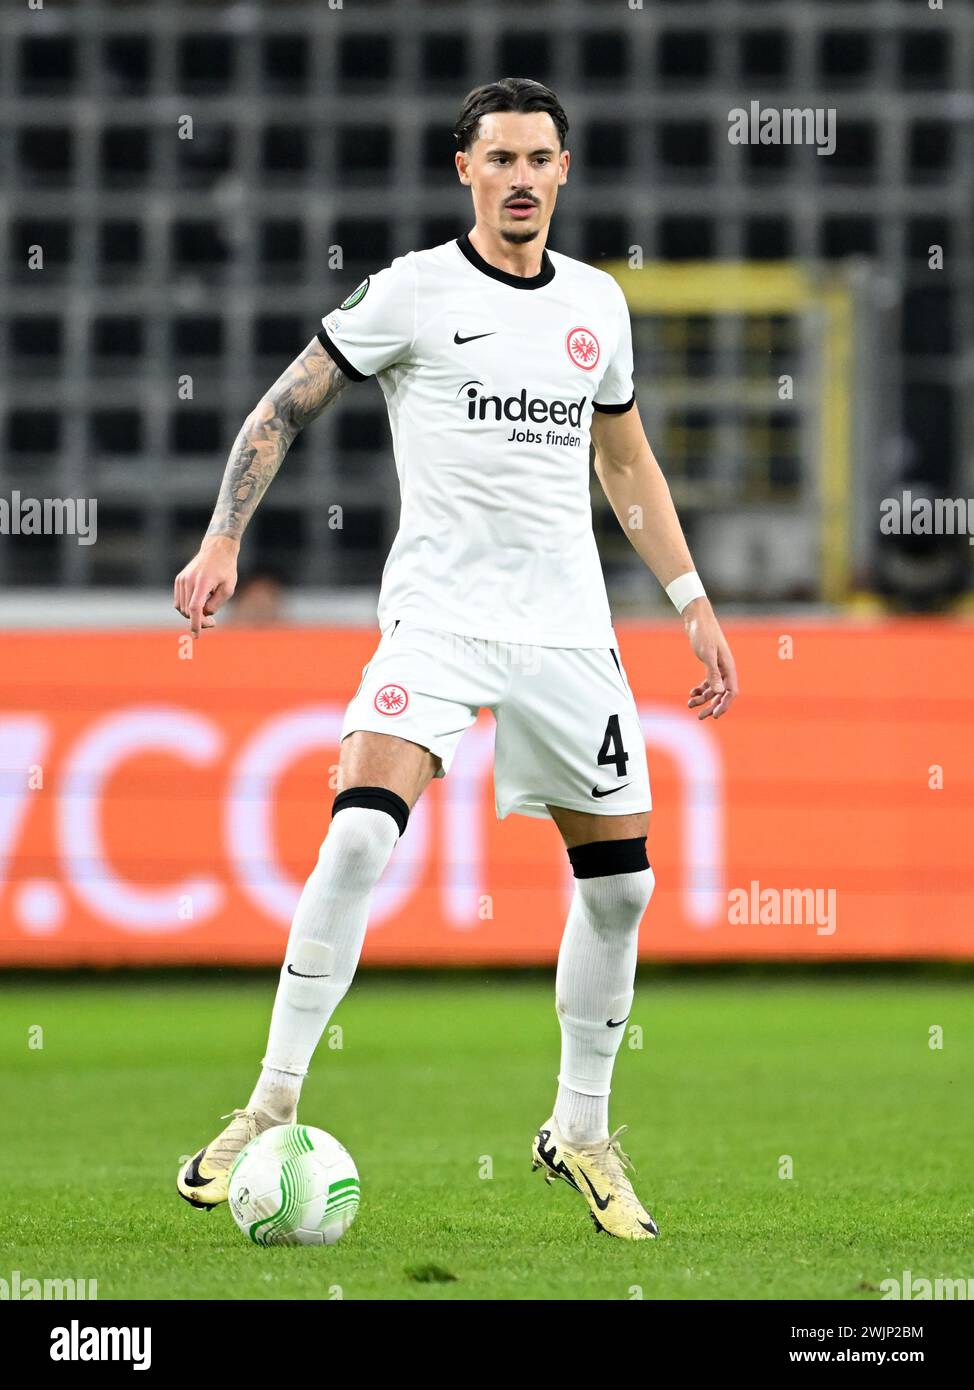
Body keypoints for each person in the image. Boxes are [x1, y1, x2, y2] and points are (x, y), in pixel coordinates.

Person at [173, 77, 739, 1240]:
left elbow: (623, 465)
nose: (522, 177)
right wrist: (223, 535)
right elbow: (283, 406)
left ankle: (578, 1131)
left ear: (564, 173)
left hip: (567, 629)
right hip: (436, 619)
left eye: (541, 158)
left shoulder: (595, 304)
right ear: (464, 171)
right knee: (358, 831)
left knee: (623, 887)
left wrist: (688, 598)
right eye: (501, 159)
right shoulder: (413, 292)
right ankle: (265, 1102)